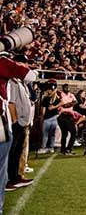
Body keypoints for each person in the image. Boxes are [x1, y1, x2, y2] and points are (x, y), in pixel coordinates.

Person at [0, 53, 36, 208]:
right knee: (2, 166)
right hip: (3, 124)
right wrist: (15, 122)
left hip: (12, 123)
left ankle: (16, 176)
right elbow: (30, 75)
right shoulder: (5, 66)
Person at [37, 81, 61, 154]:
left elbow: (43, 110)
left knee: (45, 134)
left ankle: (44, 147)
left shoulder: (46, 98)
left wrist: (41, 117)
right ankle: (51, 147)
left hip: (47, 118)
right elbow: (62, 102)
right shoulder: (57, 97)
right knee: (52, 134)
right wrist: (55, 107)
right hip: (55, 117)